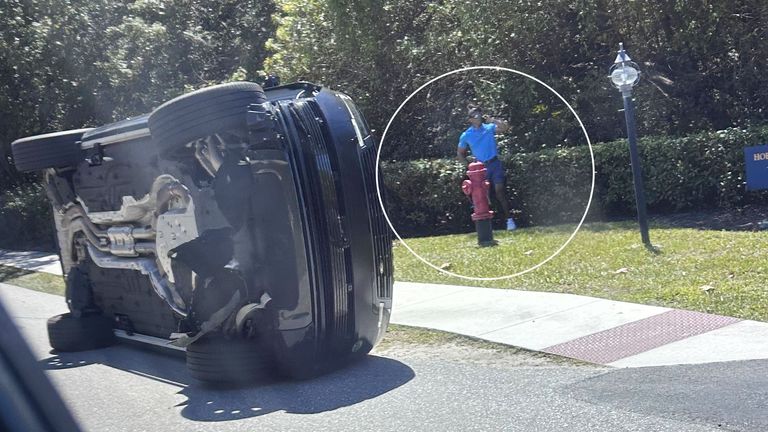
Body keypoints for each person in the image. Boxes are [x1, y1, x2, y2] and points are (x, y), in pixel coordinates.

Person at [456, 104, 517, 230]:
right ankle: (488, 224)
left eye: (479, 114)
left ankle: (509, 220)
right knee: (483, 197)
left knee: (500, 191)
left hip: (494, 164)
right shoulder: (466, 135)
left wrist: (493, 120)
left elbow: (505, 128)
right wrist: (469, 167)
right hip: (480, 169)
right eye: (474, 115)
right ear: (470, 119)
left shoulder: (489, 128)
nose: (478, 117)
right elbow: (460, 154)